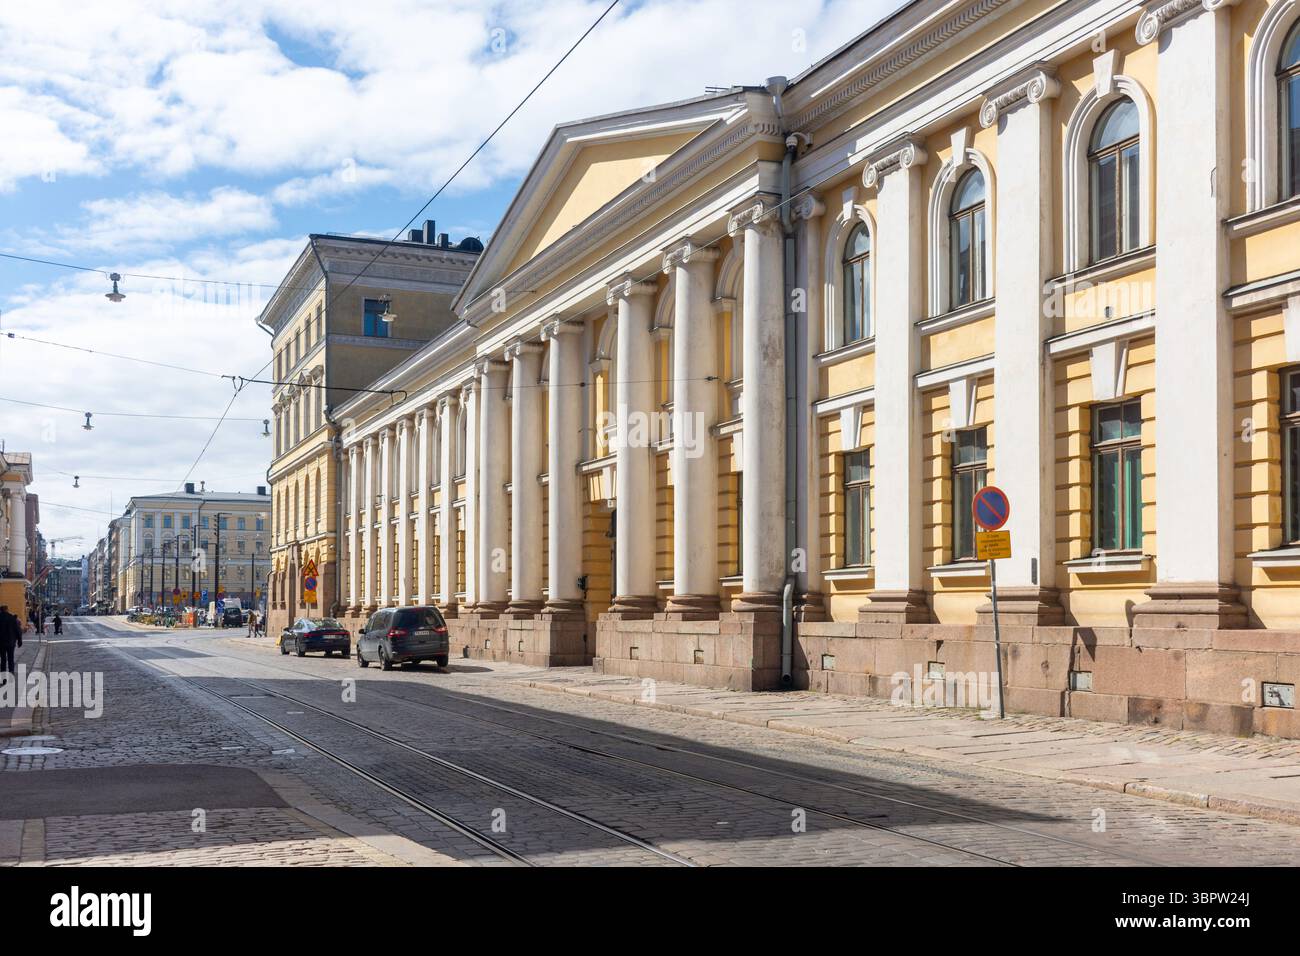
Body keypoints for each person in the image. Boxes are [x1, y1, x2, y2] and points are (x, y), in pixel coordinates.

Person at [0, 605, 22, 678]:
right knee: (11, 658)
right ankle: (11, 673)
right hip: (11, 642)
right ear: (7, 609)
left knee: (3, 659)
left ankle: (3, 675)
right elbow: (17, 630)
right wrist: (19, 640)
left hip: (1, 643)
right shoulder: (12, 618)